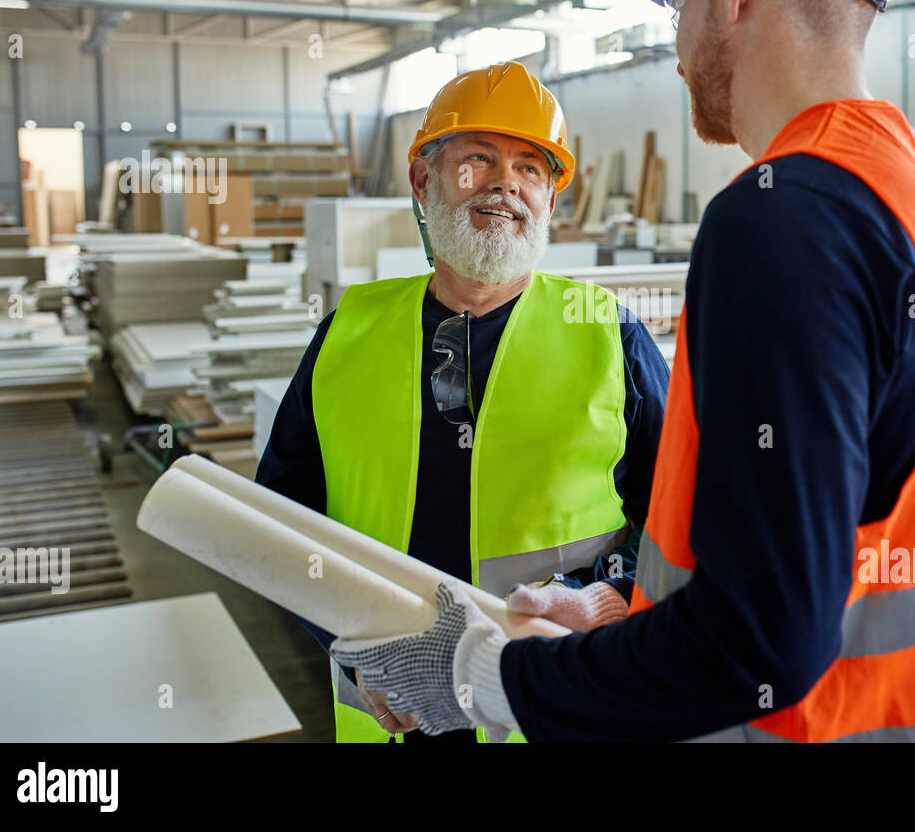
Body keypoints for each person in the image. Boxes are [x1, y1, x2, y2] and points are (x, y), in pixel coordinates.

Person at [329, 0, 915, 742]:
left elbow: (754, 647)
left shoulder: (780, 216)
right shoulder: (900, 193)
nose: (674, 43)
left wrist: (484, 676)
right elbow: (816, 559)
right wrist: (616, 610)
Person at [256, 62, 669, 743]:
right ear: (425, 181)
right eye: (478, 160)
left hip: (551, 701)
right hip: (392, 712)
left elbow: (682, 510)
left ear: (551, 201)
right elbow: (285, 517)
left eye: (531, 168)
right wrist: (344, 639)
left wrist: (617, 595)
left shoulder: (608, 333)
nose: (507, 183)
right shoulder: (348, 332)